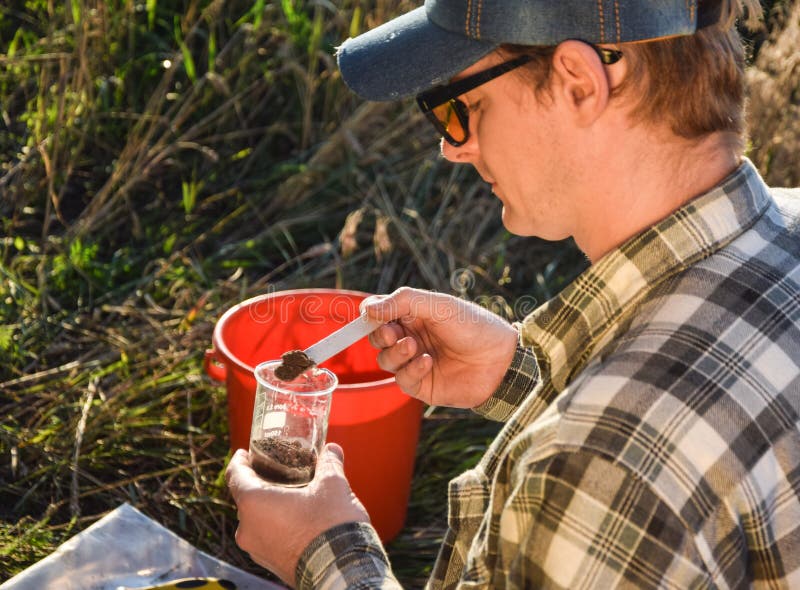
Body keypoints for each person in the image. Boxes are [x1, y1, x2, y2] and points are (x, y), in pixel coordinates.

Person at [226, 0, 800, 587]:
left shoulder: (605, 464)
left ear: (579, 83)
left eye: (462, 106)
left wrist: (321, 553)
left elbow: (626, 446)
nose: (454, 147)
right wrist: (523, 373)